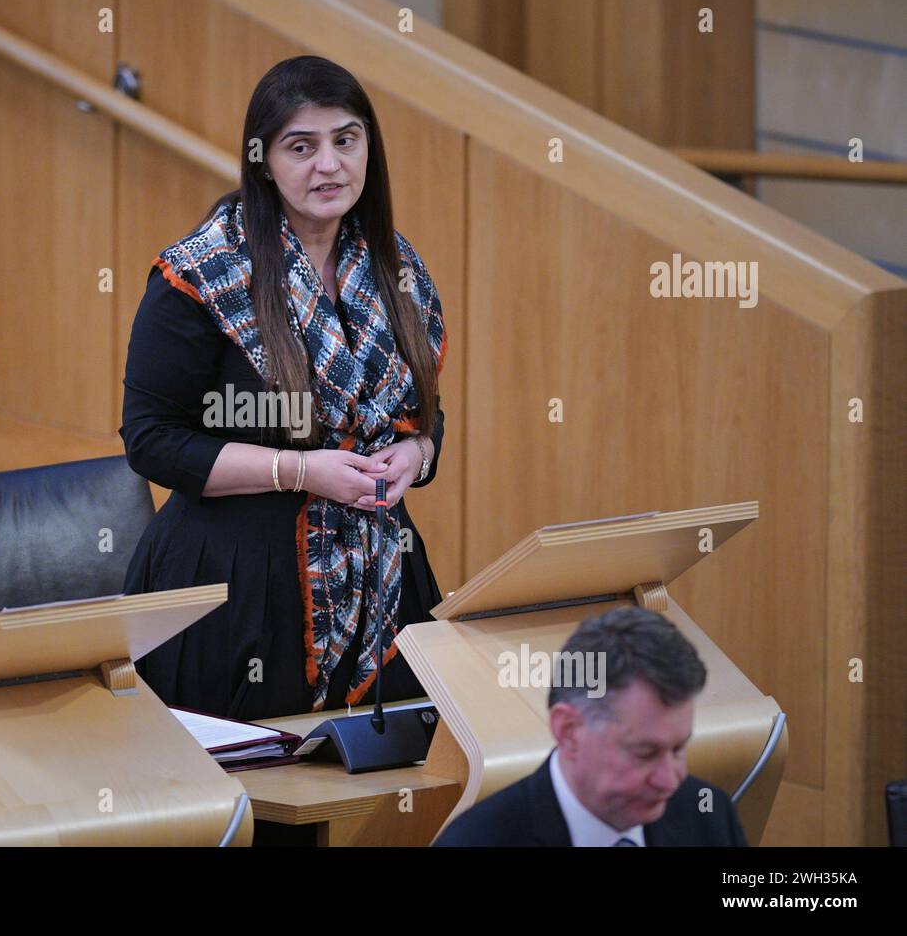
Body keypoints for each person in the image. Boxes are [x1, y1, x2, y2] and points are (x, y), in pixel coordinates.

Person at [121, 55, 449, 720]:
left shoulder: (396, 265)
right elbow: (152, 442)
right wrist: (300, 469)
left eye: (346, 141)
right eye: (302, 147)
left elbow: (423, 415)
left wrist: (417, 456)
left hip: (382, 571)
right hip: (236, 587)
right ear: (264, 159)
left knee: (387, 790)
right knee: (261, 808)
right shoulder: (200, 275)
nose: (329, 165)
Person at [434, 606, 748, 846]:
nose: (669, 781)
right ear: (569, 731)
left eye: (679, 748)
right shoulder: (476, 840)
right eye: (644, 753)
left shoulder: (709, 817)